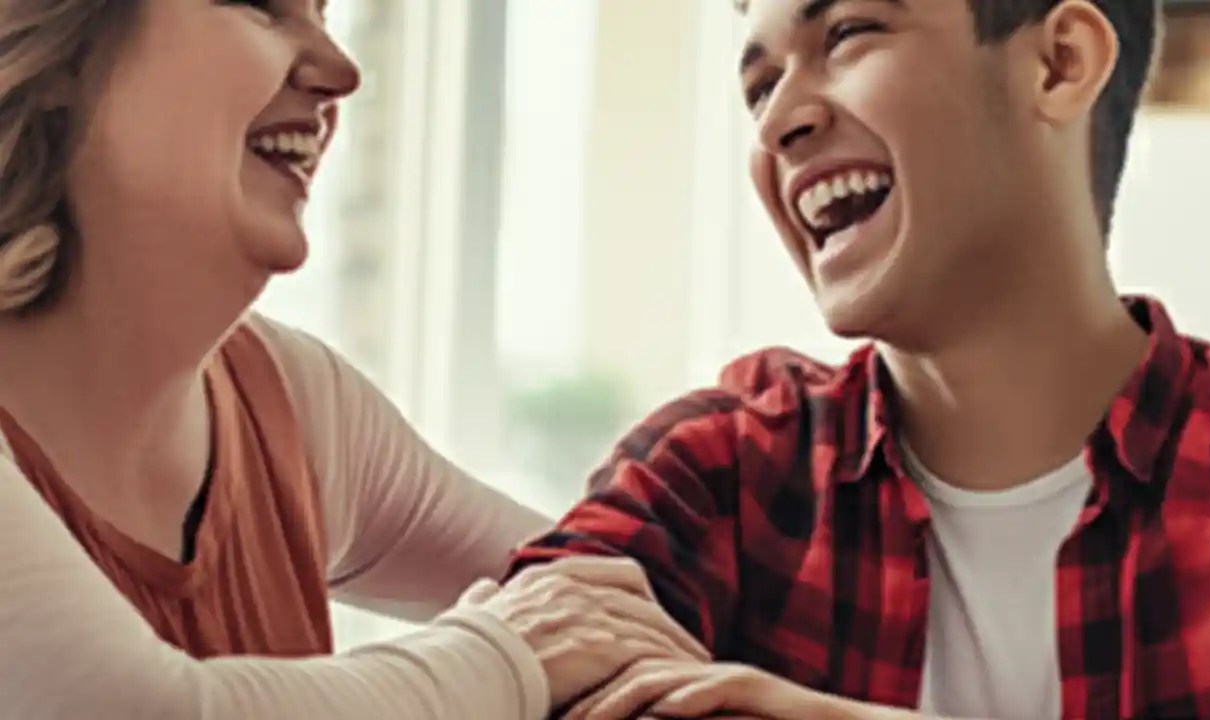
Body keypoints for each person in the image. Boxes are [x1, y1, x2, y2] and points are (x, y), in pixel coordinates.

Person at [510, 0, 1210, 718]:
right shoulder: (719, 474)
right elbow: (518, 666)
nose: (778, 121)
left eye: (848, 35)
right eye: (761, 86)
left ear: (1058, 64)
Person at [0, 1, 707, 718]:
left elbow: (613, 606)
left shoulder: (293, 405)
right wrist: (506, 657)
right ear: (64, 44)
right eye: (263, 7)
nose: (341, 71)